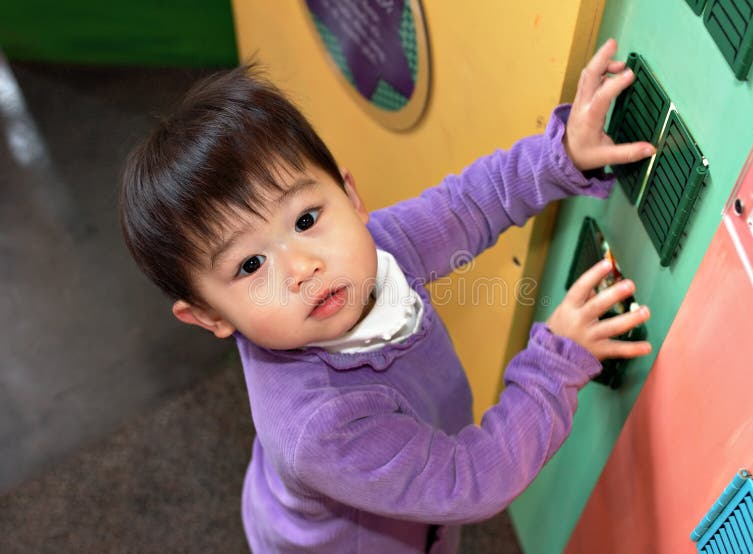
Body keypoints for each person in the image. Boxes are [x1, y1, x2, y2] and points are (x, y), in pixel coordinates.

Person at [119, 38, 653, 553]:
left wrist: (562, 154)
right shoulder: (322, 425)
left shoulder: (373, 251)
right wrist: (555, 361)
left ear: (350, 196)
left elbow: (467, 206)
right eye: (251, 264)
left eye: (306, 219)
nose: (304, 266)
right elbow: (472, 478)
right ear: (209, 315)